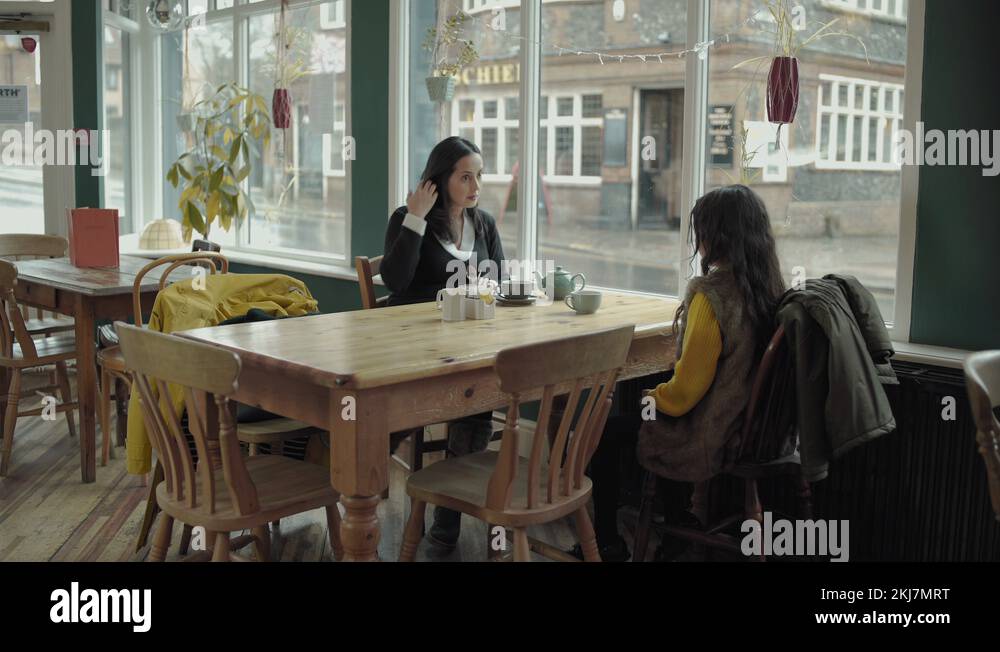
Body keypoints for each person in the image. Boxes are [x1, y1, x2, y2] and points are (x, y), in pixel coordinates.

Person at [575, 184, 787, 561]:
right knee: (663, 413)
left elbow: (686, 391)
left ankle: (607, 542)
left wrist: (649, 398)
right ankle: (678, 527)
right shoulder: (769, 288)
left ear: (714, 236)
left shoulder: (710, 295)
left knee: (609, 429)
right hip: (754, 431)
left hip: (712, 433)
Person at [380, 136, 506, 551]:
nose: (476, 186)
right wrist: (416, 217)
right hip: (412, 344)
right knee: (404, 408)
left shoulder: (483, 222)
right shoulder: (407, 216)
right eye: (466, 177)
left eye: (479, 177)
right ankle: (361, 482)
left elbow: (499, 281)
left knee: (481, 396)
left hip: (468, 341)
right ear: (440, 180)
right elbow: (395, 281)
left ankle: (446, 518)